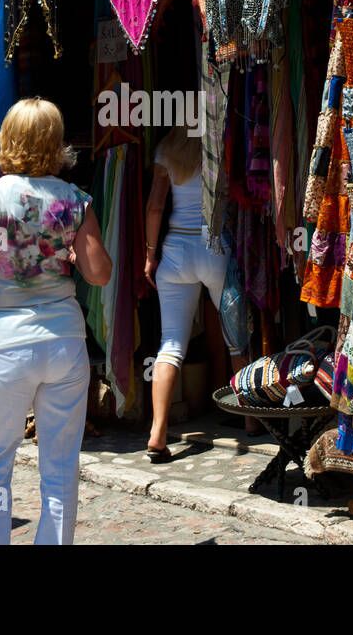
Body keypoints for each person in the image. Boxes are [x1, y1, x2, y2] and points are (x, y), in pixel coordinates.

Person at [0, 97, 111, 545]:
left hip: (5, 342)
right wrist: (64, 244)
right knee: (61, 466)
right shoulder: (74, 200)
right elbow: (99, 274)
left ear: (9, 138)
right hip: (64, 339)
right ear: (55, 143)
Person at [143, 126, 256, 461]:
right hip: (213, 245)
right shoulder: (220, 145)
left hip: (176, 248)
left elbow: (155, 206)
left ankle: (158, 432)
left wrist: (150, 255)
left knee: (171, 343)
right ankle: (250, 421)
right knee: (236, 338)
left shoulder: (167, 148)